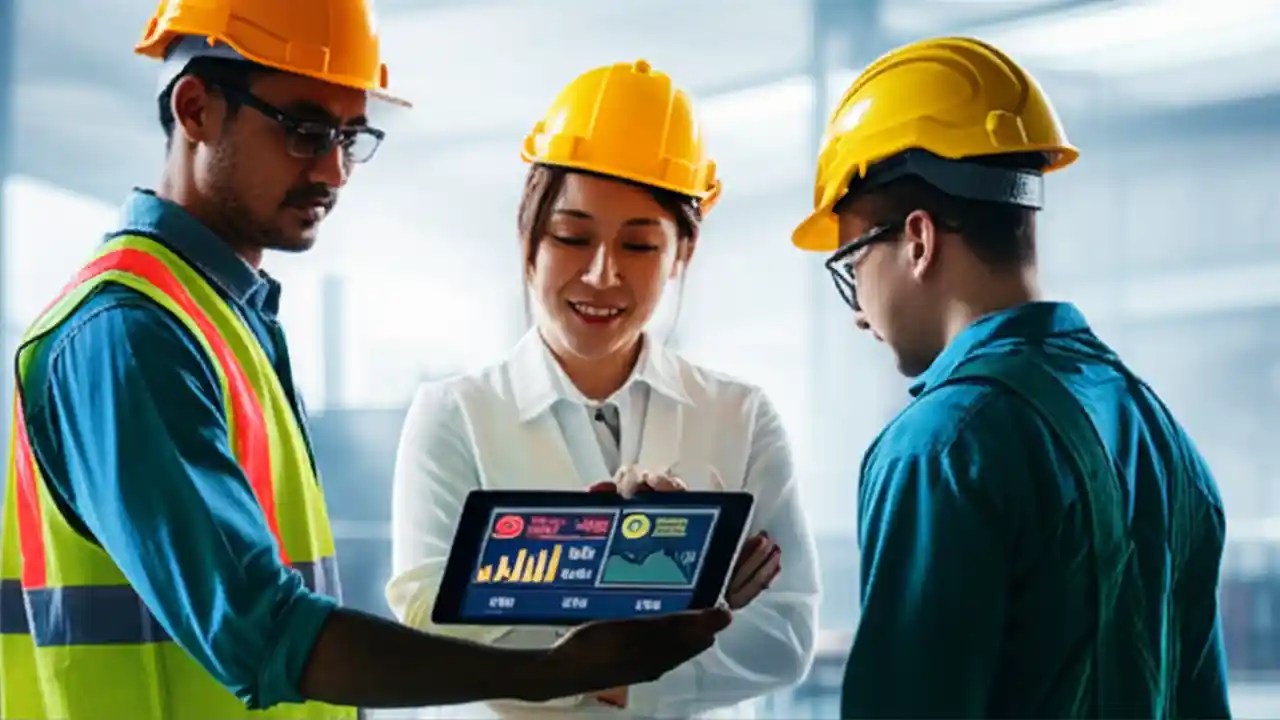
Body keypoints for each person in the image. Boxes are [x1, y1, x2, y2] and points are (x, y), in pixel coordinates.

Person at [0, 4, 731, 720]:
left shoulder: (222, 317)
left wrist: (560, 573)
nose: (336, 170)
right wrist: (556, 671)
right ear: (196, 110)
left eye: (351, 136)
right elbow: (266, 634)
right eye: (306, 130)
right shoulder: (130, 333)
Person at [791, 36, 1231, 718]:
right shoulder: (1157, 431)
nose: (859, 314)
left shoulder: (940, 447)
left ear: (918, 240)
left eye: (853, 265)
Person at [385, 59, 821, 719]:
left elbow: (786, 635)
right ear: (527, 238)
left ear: (684, 254)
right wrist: (674, 614)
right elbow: (429, 625)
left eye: (640, 246)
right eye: (571, 236)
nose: (601, 275)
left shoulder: (740, 416)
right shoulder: (456, 416)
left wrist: (602, 656)